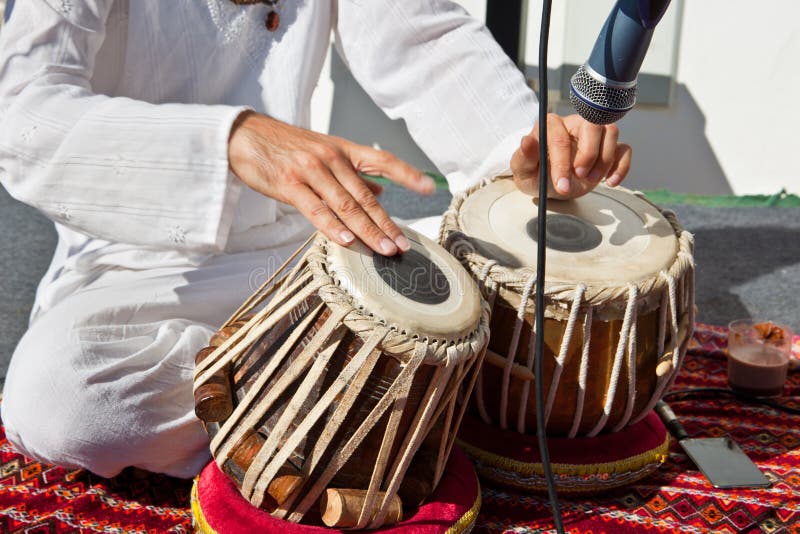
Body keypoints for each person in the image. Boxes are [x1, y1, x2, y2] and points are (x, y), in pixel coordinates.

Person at [0, 1, 631, 479]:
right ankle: (391, 399)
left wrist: (517, 150)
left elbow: (427, 46)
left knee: (549, 255)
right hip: (136, 266)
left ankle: (325, 405)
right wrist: (230, 140)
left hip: (312, 241)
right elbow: (23, 118)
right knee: (65, 401)